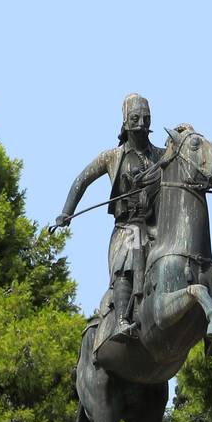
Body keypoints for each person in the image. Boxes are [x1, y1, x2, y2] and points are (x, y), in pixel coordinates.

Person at [53, 94, 164, 344]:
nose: (141, 123)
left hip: (157, 226)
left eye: (146, 118)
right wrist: (66, 212)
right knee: (131, 250)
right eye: (135, 118)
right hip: (127, 228)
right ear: (125, 123)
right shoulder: (112, 157)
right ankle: (123, 319)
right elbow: (82, 180)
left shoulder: (161, 155)